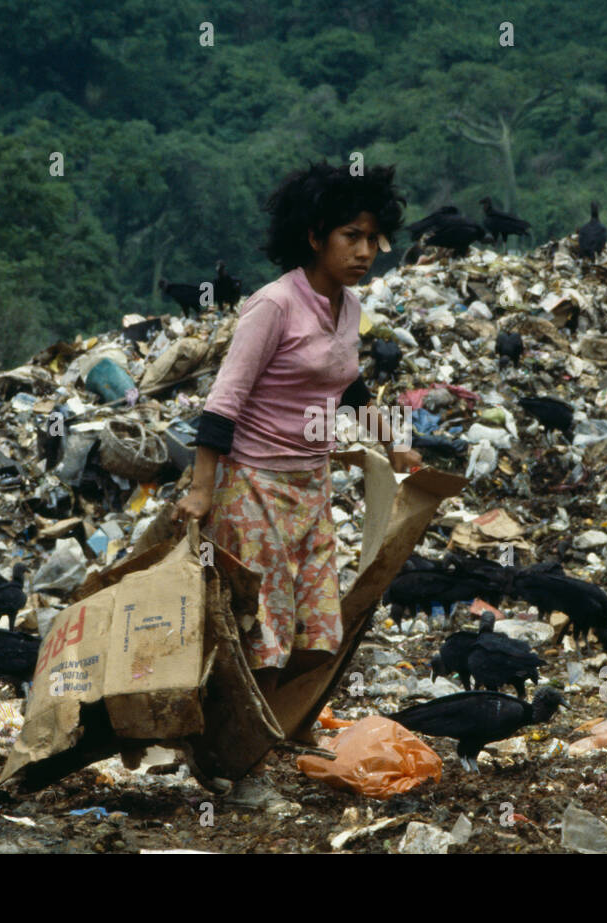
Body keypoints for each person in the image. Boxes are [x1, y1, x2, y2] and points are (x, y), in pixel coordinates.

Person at [171, 163, 421, 804]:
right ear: (314, 236)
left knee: (313, 634)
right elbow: (224, 402)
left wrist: (393, 440)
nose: (365, 251)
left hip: (310, 489)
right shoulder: (274, 304)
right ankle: (232, 770)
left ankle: (249, 747)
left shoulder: (350, 306)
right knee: (261, 637)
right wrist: (201, 490)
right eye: (350, 236)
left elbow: (350, 384)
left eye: (372, 238)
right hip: (251, 488)